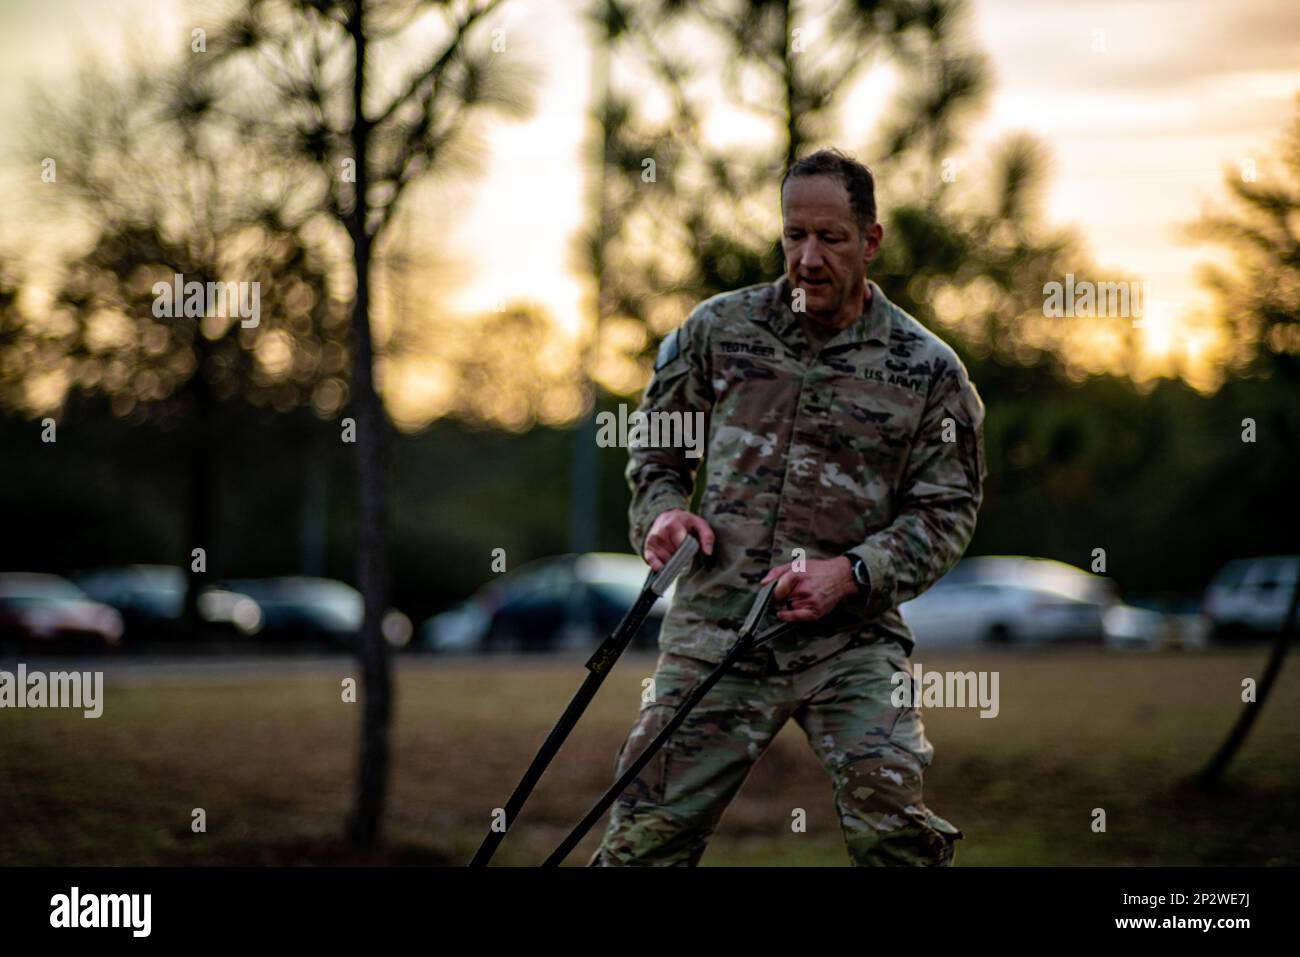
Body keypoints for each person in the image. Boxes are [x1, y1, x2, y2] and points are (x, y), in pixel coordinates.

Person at [588, 148, 987, 867]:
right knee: (645, 839)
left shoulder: (929, 370)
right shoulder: (719, 331)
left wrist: (854, 572)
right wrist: (665, 516)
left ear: (870, 240)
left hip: (851, 642)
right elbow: (657, 453)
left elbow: (946, 509)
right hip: (717, 633)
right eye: (793, 234)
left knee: (894, 826)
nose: (807, 257)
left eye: (830, 238)